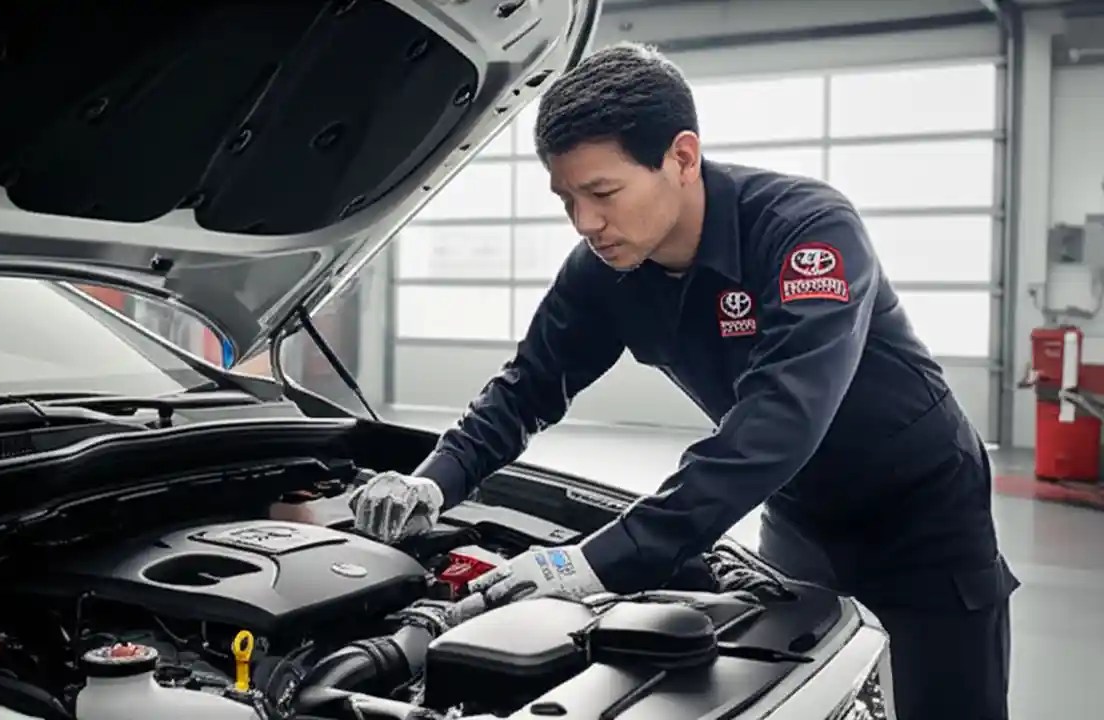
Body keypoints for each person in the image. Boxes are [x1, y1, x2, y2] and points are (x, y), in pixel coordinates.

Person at [349, 42, 1017, 719]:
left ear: (683, 157)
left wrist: (588, 565)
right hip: (799, 508)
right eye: (567, 199)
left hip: (921, 506)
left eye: (603, 193)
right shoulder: (604, 269)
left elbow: (780, 419)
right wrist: (433, 479)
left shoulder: (806, 232)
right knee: (801, 694)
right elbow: (529, 386)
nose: (586, 223)